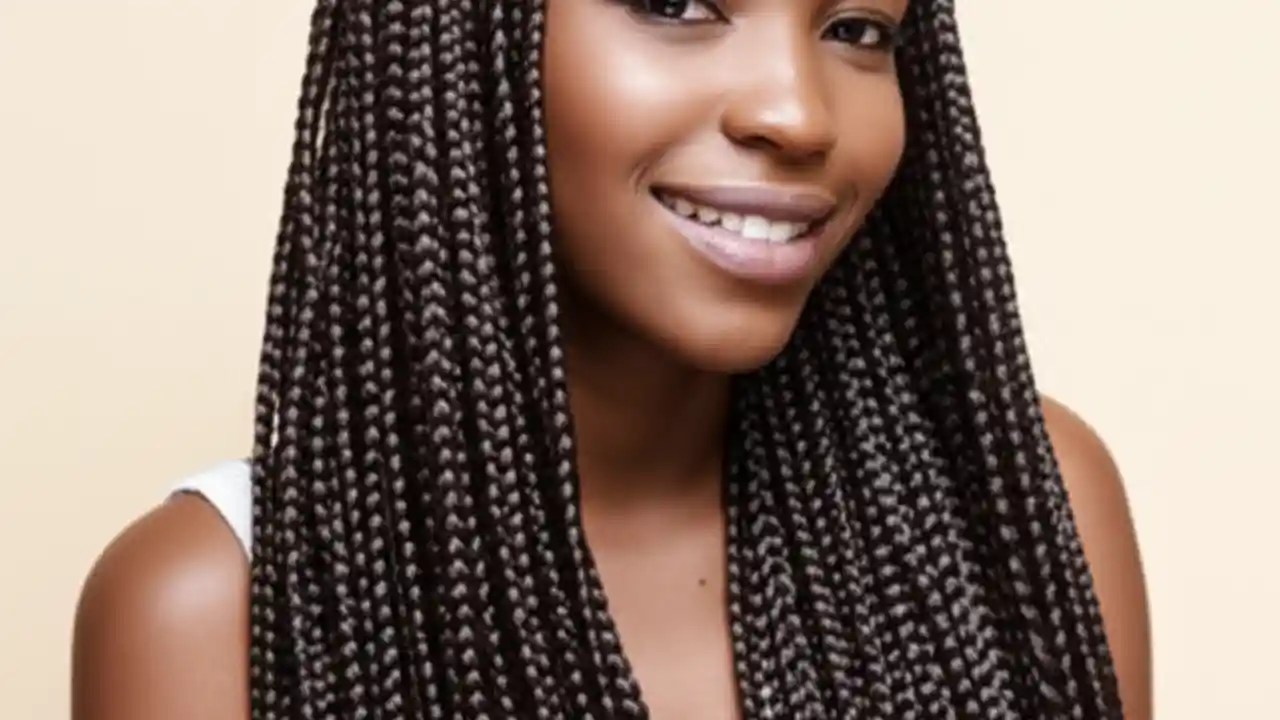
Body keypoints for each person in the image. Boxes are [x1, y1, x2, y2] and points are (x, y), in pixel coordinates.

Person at [71, 0, 1151, 717]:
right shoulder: (210, 615)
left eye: (858, 27)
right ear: (457, 43)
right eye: (676, 2)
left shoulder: (1020, 504)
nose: (794, 110)